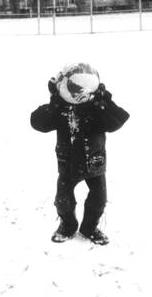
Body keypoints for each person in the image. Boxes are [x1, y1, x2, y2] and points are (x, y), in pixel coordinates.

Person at [30, 62, 129, 245]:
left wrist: (102, 101)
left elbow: (116, 121)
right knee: (63, 200)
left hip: (94, 162)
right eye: (73, 91)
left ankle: (89, 228)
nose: (77, 96)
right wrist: (55, 102)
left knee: (98, 200)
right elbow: (37, 123)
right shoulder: (61, 108)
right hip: (68, 163)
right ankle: (67, 226)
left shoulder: (97, 108)